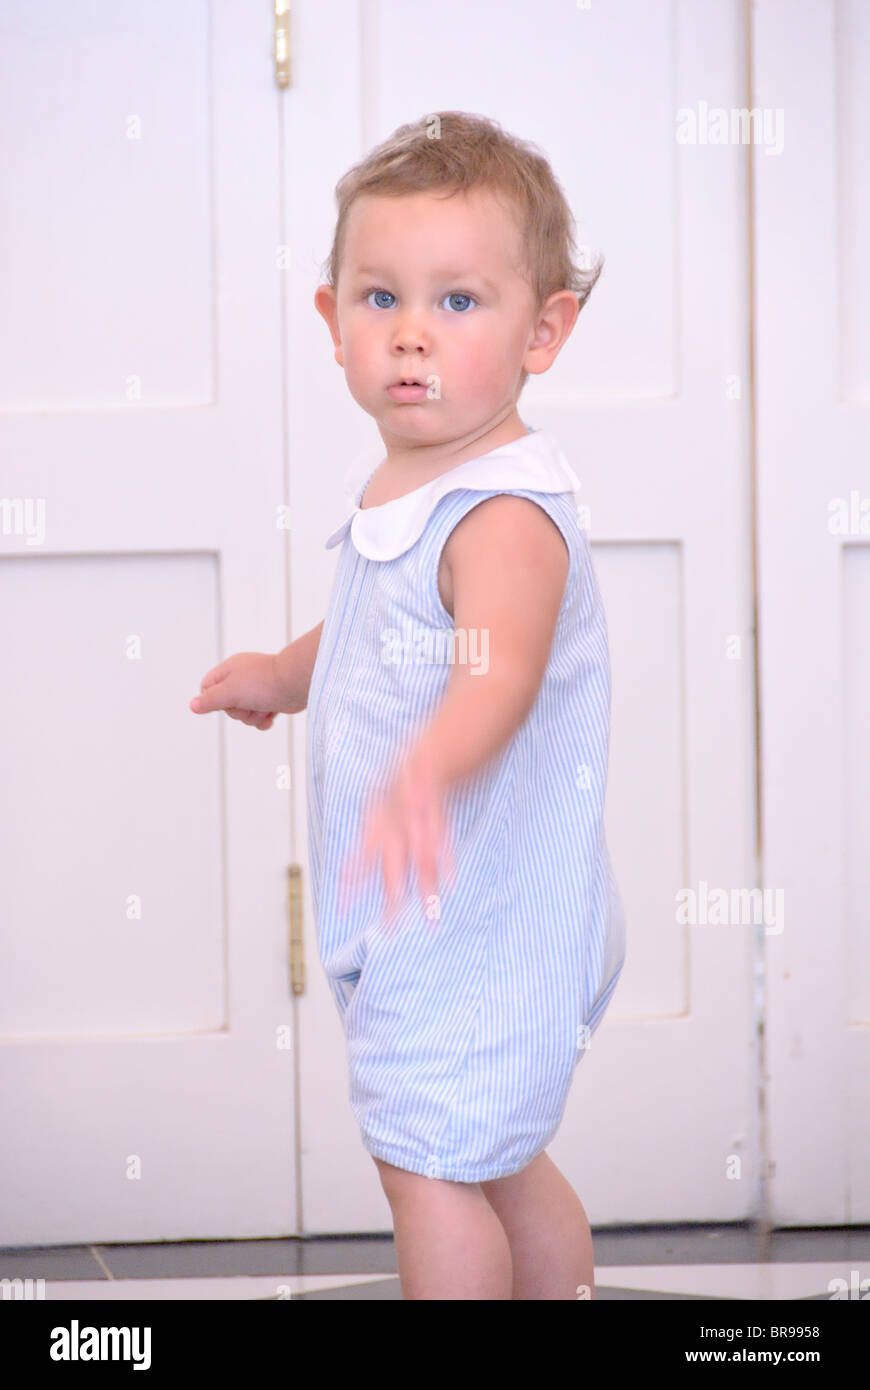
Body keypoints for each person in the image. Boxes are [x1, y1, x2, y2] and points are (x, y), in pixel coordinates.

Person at [191, 111, 626, 1300]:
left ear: (545, 331)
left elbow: (495, 670)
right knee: (493, 1157)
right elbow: (392, 638)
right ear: (332, 322)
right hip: (447, 924)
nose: (413, 337)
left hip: (480, 923)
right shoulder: (423, 486)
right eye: (380, 299)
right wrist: (286, 678)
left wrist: (428, 770)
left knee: (425, 1167)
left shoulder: (503, 515)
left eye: (460, 303)